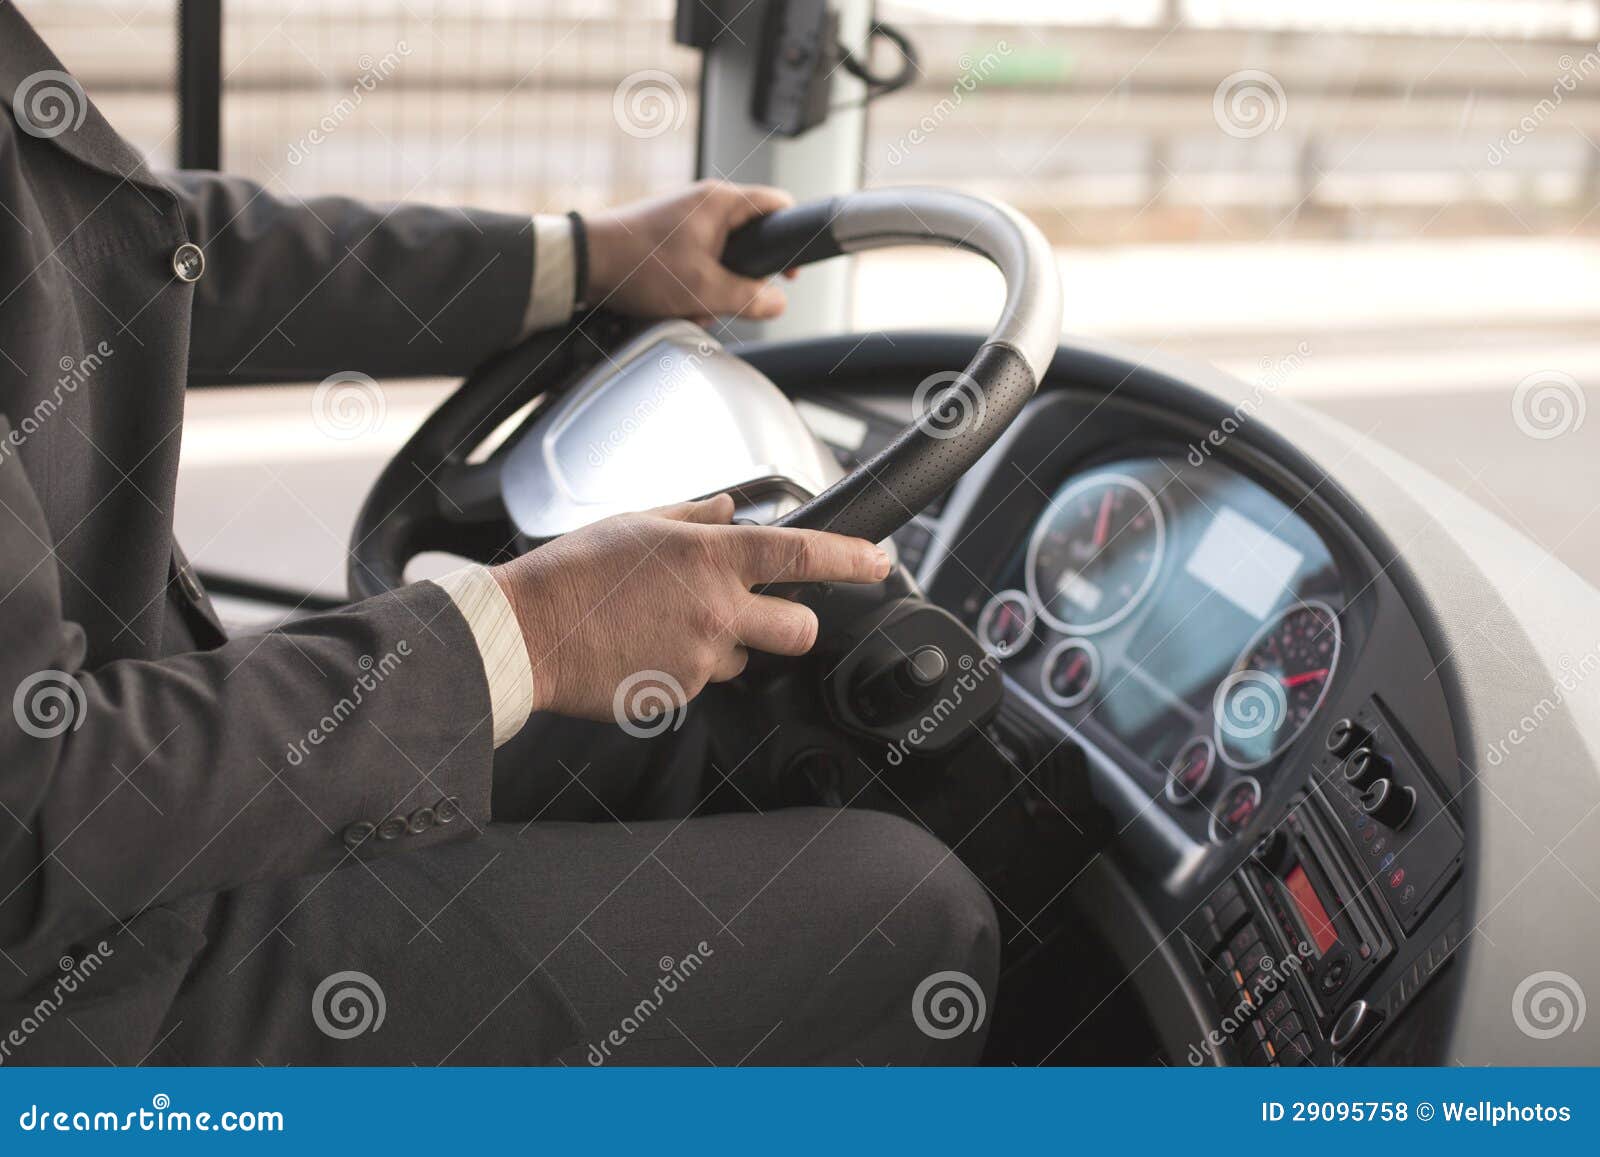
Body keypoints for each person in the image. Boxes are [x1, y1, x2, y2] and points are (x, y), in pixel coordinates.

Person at [0, 5, 997, 1064]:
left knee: (683, 730)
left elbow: (131, 252)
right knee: (913, 910)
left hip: (122, 846)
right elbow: (32, 807)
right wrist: (531, 629)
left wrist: (577, 260)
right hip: (91, 997)